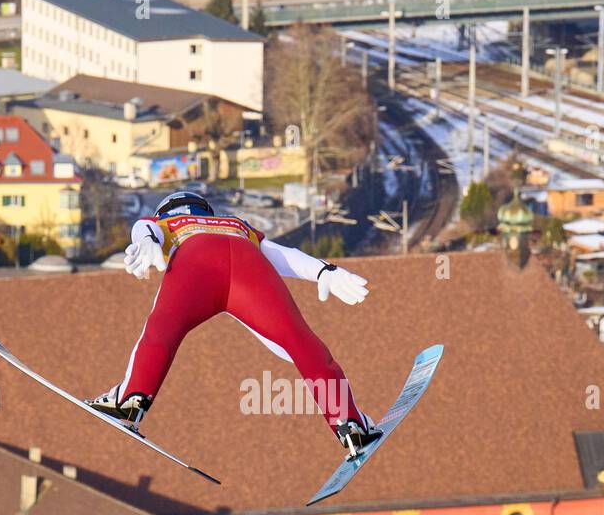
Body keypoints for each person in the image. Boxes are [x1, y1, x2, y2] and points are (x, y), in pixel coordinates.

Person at [86, 190, 382, 453]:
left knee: (161, 332)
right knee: (300, 342)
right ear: (207, 211)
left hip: (195, 264)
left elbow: (144, 226)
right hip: (248, 267)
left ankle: (131, 400)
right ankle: (350, 423)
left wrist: (148, 240)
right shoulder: (236, 224)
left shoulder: (169, 223)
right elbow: (282, 255)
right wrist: (324, 271)